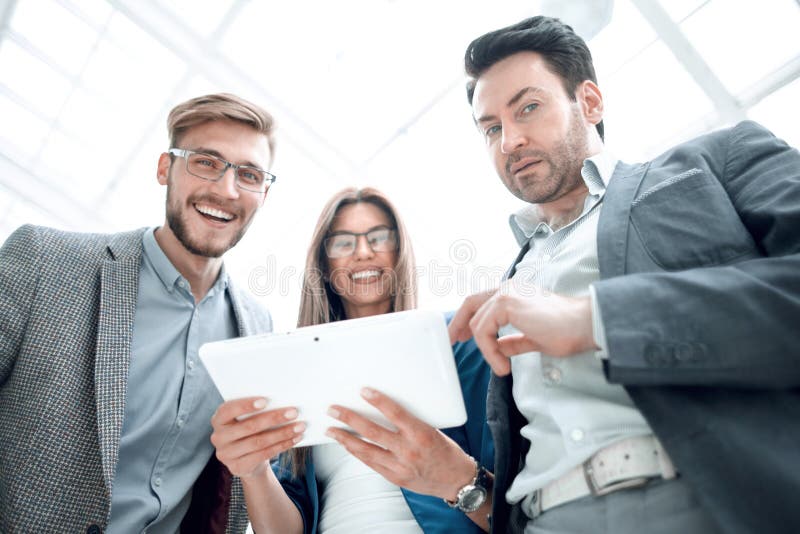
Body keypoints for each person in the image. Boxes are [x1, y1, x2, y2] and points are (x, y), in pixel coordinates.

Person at [447, 15, 800, 534]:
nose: (510, 141)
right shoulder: (508, 283)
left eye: (528, 107)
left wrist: (597, 319)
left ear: (588, 102)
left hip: (699, 498)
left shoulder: (715, 162)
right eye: (492, 128)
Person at [0, 93, 276, 533]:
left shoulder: (258, 332)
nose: (227, 190)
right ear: (165, 168)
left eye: (249, 174)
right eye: (206, 162)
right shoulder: (43, 260)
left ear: (264, 193)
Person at [210, 187, 493, 533]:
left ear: (400, 251)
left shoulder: (454, 341)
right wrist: (254, 472)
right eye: (343, 242)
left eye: (378, 237)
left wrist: (459, 481)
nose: (363, 252)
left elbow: (510, 508)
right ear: (324, 265)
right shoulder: (294, 374)